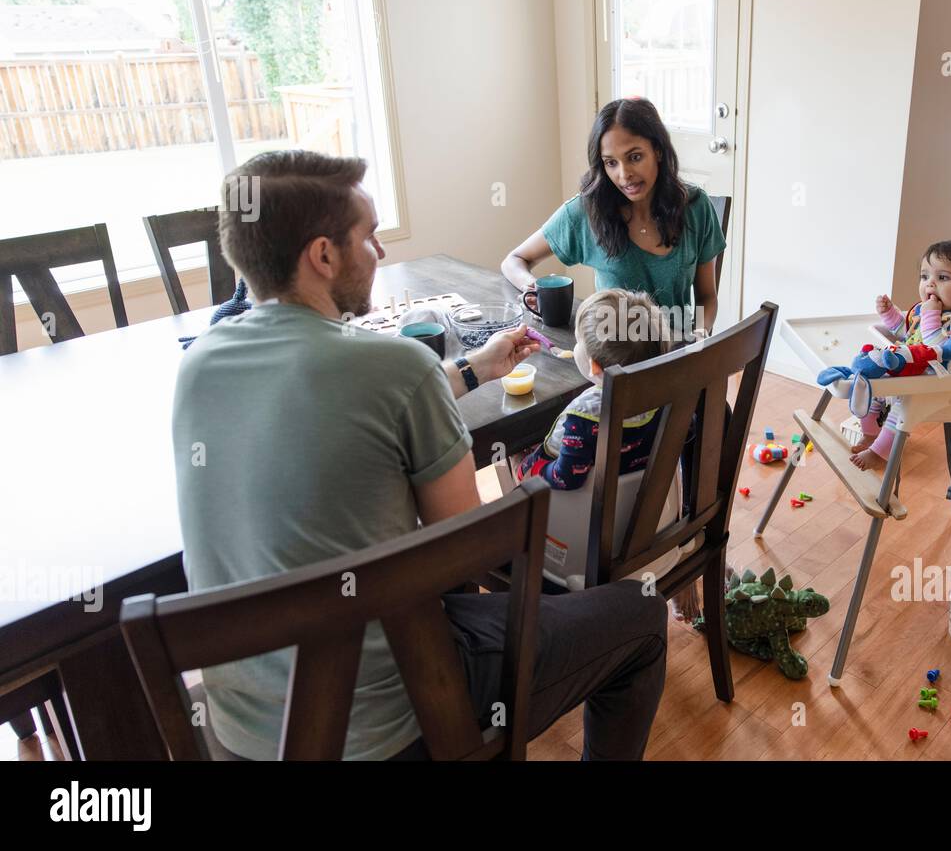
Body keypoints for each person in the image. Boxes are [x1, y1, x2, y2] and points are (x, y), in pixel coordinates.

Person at [172, 149, 667, 760]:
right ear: (322, 256)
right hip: (400, 723)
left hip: (243, 739)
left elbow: (352, 401)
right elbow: (470, 553)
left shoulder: (199, 366)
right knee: (642, 613)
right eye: (369, 236)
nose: (380, 252)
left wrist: (467, 371)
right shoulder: (396, 369)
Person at [501, 98, 725, 337]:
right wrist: (532, 288)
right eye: (611, 163)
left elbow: (706, 296)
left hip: (676, 353)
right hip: (613, 354)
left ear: (658, 151)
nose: (624, 174)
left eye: (635, 157)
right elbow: (514, 260)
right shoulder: (587, 211)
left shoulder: (695, 207)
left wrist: (699, 334)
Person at [516, 289, 671, 490]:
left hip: (582, 510)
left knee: (517, 462)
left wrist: (538, 471)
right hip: (643, 499)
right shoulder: (669, 395)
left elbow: (567, 478)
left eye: (579, 340)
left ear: (594, 366)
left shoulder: (582, 420)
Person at [851, 240, 951, 472]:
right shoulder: (929, 310)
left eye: (943, 278)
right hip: (922, 374)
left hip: (950, 382)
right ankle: (870, 434)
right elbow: (908, 334)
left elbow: (938, 350)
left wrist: (931, 315)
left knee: (903, 404)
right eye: (925, 277)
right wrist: (889, 314)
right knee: (873, 387)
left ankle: (879, 452)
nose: (930, 284)